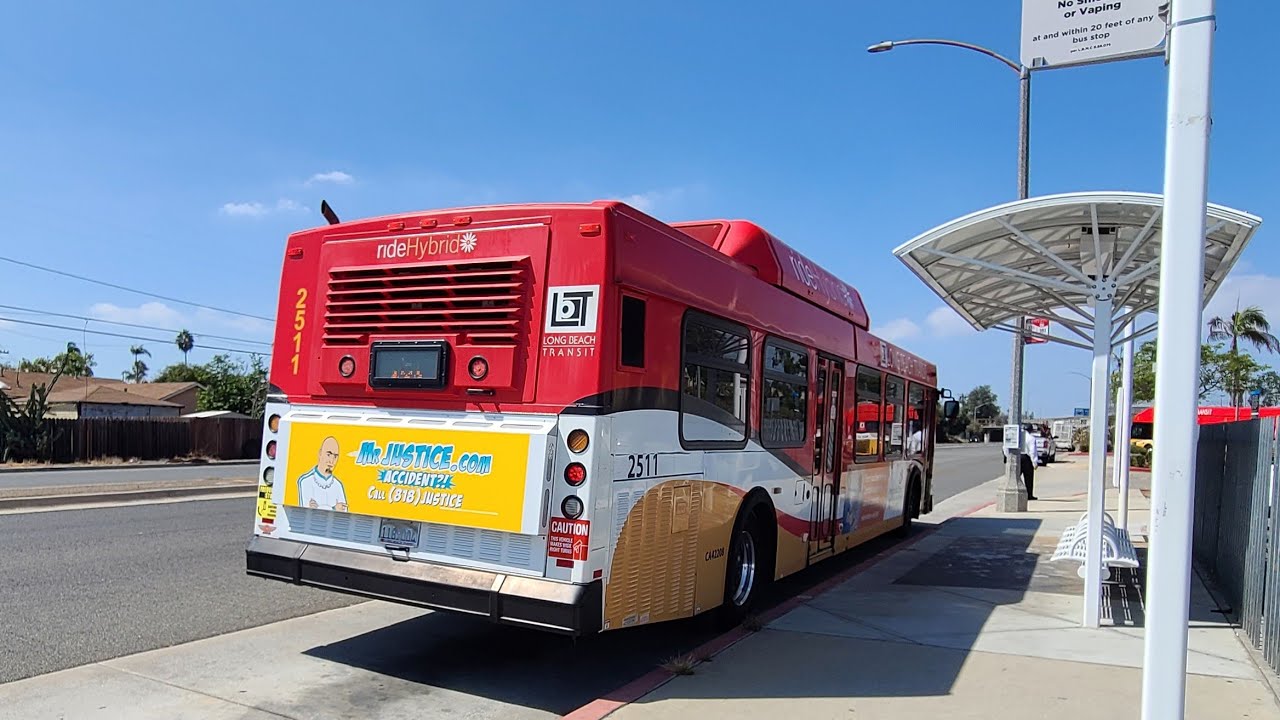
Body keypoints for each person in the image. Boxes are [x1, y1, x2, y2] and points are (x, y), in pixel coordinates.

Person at [296, 436, 349, 511]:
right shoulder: (305, 481)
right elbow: (305, 511)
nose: (332, 460)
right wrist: (334, 508)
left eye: (335, 456)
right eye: (328, 454)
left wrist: (318, 508)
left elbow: (344, 513)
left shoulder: (338, 485)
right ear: (320, 453)